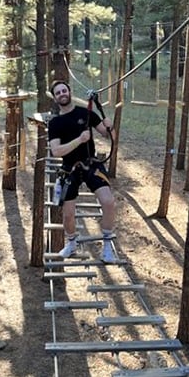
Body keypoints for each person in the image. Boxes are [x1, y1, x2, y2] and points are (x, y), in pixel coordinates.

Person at [47, 80, 116, 263]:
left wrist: (110, 127)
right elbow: (56, 151)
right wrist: (79, 140)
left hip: (90, 164)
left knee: (108, 202)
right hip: (69, 168)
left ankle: (107, 244)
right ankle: (71, 243)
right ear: (55, 98)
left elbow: (110, 136)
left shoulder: (86, 113)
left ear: (69, 92)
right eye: (58, 93)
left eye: (64, 90)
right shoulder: (55, 123)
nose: (62, 94)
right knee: (68, 214)